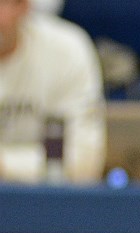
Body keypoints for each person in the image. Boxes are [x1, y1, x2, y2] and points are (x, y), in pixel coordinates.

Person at [0, 0, 106, 183]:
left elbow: (84, 162)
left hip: (49, 205)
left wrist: (5, 166)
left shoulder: (67, 51)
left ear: (24, 6)